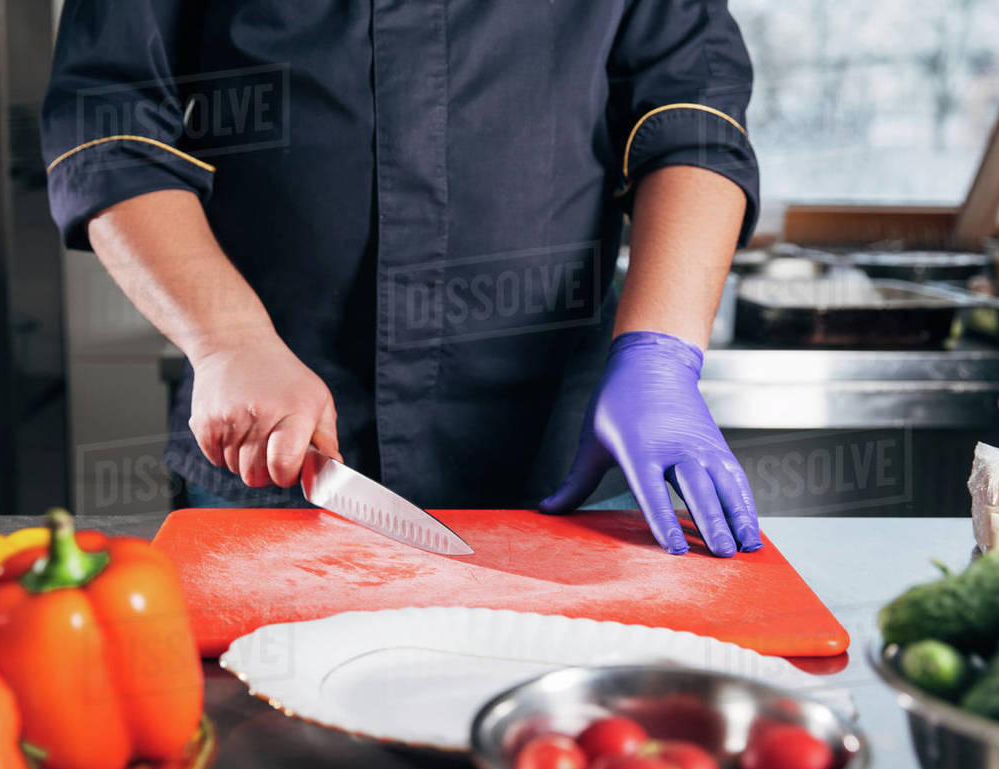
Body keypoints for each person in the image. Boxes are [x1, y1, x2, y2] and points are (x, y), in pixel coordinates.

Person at [42, 1, 762, 557]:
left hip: (562, 455)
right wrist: (227, 339)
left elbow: (692, 115)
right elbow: (109, 124)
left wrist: (659, 355)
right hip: (278, 449)